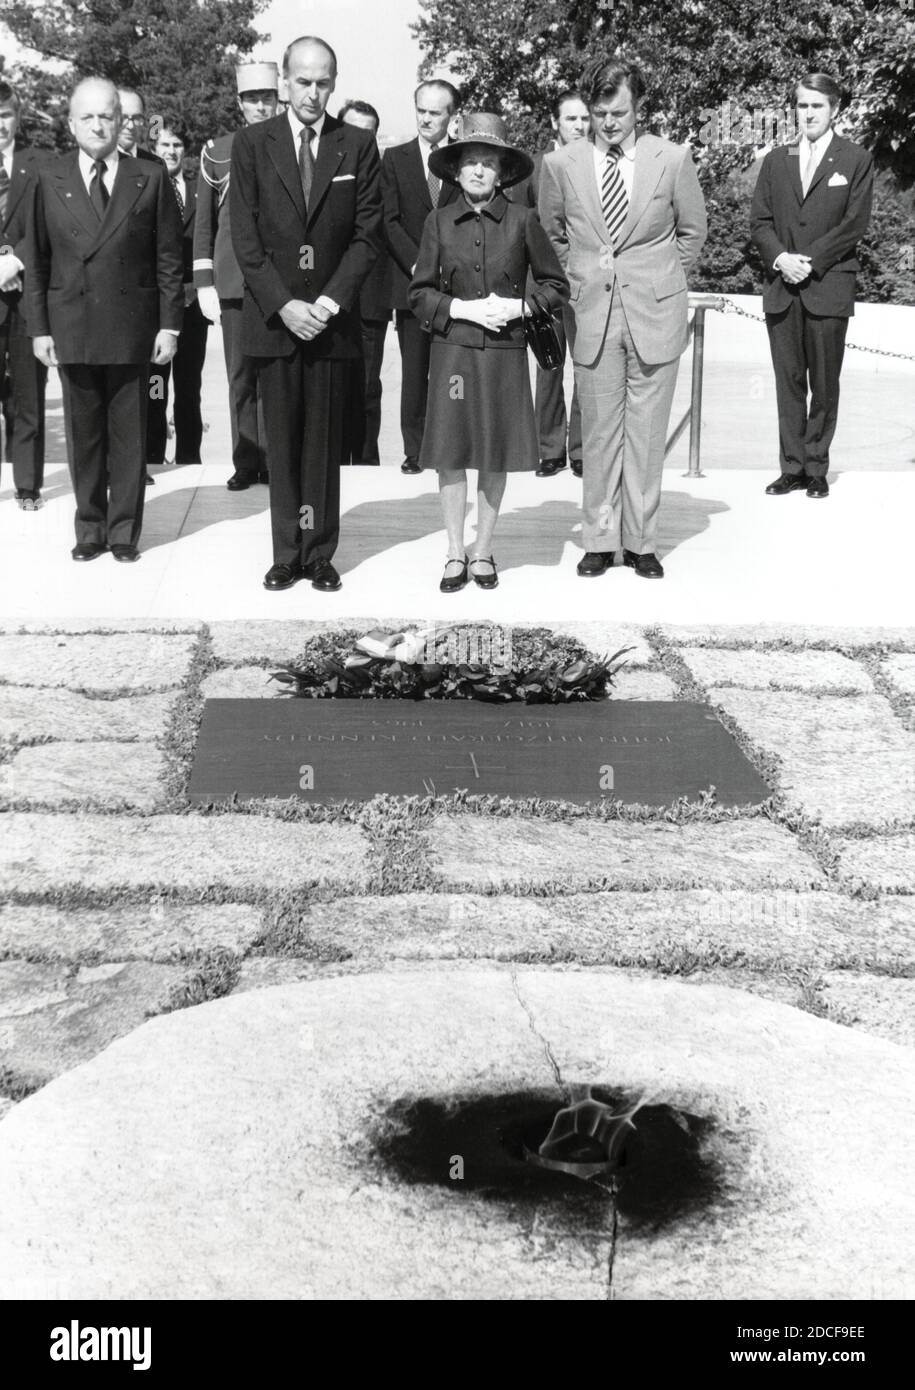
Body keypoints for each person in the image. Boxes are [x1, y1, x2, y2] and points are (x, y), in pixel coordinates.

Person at [539, 57, 707, 580]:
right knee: (600, 434)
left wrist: (657, 279)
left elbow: (693, 231)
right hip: (592, 315)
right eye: (599, 113)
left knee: (647, 433)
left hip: (655, 315)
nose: (609, 123)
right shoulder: (560, 165)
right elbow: (551, 238)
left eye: (619, 112)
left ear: (638, 107)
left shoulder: (672, 159)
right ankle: (599, 538)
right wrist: (584, 278)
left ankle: (640, 542)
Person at [230, 36, 383, 593]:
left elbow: (367, 237)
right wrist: (284, 303)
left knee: (321, 443)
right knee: (283, 440)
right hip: (275, 319)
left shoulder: (356, 146)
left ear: (333, 84)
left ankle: (318, 552)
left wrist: (324, 302)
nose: (312, 92)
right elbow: (244, 237)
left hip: (330, 320)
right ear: (285, 83)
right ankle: (283, 553)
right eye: (302, 81)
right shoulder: (250, 144)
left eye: (323, 82)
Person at [409, 113, 568, 592]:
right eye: (470, 163)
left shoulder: (524, 221)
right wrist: (460, 308)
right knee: (451, 452)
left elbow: (555, 285)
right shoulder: (437, 222)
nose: (478, 171)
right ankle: (454, 551)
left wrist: (518, 306)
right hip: (453, 352)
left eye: (488, 163)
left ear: (502, 174)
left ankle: (483, 552)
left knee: (494, 452)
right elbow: (418, 294)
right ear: (456, 172)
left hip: (504, 352)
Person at [26, 77, 183, 563]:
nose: (98, 125)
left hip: (132, 328)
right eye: (87, 116)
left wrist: (169, 326)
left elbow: (168, 261)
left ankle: (123, 533)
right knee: (84, 435)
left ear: (123, 121)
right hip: (72, 325)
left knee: (129, 436)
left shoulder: (149, 176)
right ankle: (89, 527)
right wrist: (39, 328)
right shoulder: (48, 179)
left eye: (107, 115)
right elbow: (38, 261)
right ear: (71, 124)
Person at [751, 73, 874, 500]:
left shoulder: (855, 159)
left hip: (828, 286)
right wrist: (781, 258)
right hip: (782, 286)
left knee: (824, 382)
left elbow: (854, 223)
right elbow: (760, 222)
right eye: (802, 105)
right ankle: (792, 467)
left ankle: (817, 466)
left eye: (817, 105)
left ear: (834, 108)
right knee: (788, 382)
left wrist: (811, 261)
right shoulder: (776, 159)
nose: (808, 113)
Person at [193, 62, 278, 491]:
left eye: (266, 97)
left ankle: (277, 461)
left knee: (276, 377)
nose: (260, 106)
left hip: (280, 285)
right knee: (241, 376)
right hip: (233, 284)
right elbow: (205, 224)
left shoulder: (293, 148)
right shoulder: (217, 150)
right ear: (240, 103)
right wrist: (205, 282)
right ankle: (247, 460)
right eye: (252, 98)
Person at [382, 79, 461, 474]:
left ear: (451, 116)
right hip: (412, 285)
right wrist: (417, 264)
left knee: (451, 372)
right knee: (414, 373)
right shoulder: (394, 159)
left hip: (455, 288)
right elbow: (389, 219)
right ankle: (414, 450)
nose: (427, 118)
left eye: (436, 112)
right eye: (422, 110)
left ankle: (446, 447)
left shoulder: (462, 162)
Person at [515, 89, 589, 479]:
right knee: (549, 364)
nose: (578, 126)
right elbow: (523, 227)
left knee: (586, 365)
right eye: (570, 119)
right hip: (542, 284)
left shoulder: (599, 166)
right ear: (554, 123)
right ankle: (549, 449)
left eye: (584, 119)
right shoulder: (533, 167)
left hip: (586, 284)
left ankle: (580, 448)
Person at [146, 120, 208, 469]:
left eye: (177, 146)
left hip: (193, 302)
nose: (171, 151)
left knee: (189, 386)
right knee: (155, 384)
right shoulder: (147, 186)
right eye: (165, 145)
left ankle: (188, 456)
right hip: (156, 303)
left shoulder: (200, 190)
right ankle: (153, 455)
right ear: (155, 149)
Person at [0, 80, 48, 511]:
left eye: (4, 115)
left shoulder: (39, 164)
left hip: (27, 299)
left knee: (28, 397)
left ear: (17, 117)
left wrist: (13, 261)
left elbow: (46, 227)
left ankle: (28, 486)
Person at [339, 99, 391, 465]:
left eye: (368, 133)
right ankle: (335, 460)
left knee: (368, 386)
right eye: (353, 129)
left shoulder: (385, 175)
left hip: (371, 297)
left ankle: (367, 461)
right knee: (332, 387)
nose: (361, 138)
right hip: (327, 297)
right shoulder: (320, 168)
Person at [116, 89, 164, 166]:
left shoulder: (156, 164)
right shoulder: (95, 163)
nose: (130, 126)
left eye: (137, 118)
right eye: (123, 117)